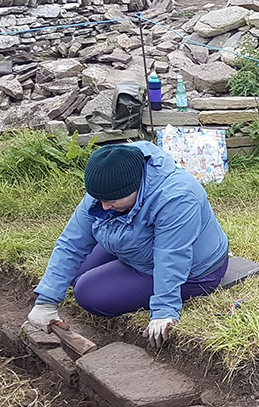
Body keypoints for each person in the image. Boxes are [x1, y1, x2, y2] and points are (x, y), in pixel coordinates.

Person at [25, 142, 230, 349]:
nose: (104, 206)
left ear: (134, 186)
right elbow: (71, 242)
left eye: (111, 200)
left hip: (196, 271)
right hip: (137, 245)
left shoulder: (177, 197)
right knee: (74, 272)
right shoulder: (111, 178)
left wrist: (164, 310)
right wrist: (46, 301)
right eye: (100, 199)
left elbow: (171, 256)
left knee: (88, 292)